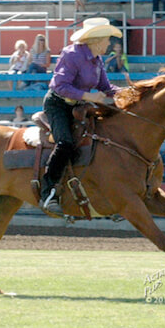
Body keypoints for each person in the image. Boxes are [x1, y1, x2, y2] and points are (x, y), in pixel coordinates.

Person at [39, 17, 122, 215]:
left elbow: (106, 88)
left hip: (78, 107)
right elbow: (60, 86)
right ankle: (48, 192)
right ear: (96, 40)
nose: (109, 43)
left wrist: (130, 93)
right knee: (65, 143)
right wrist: (88, 96)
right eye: (107, 39)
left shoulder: (97, 59)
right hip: (58, 105)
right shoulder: (71, 55)